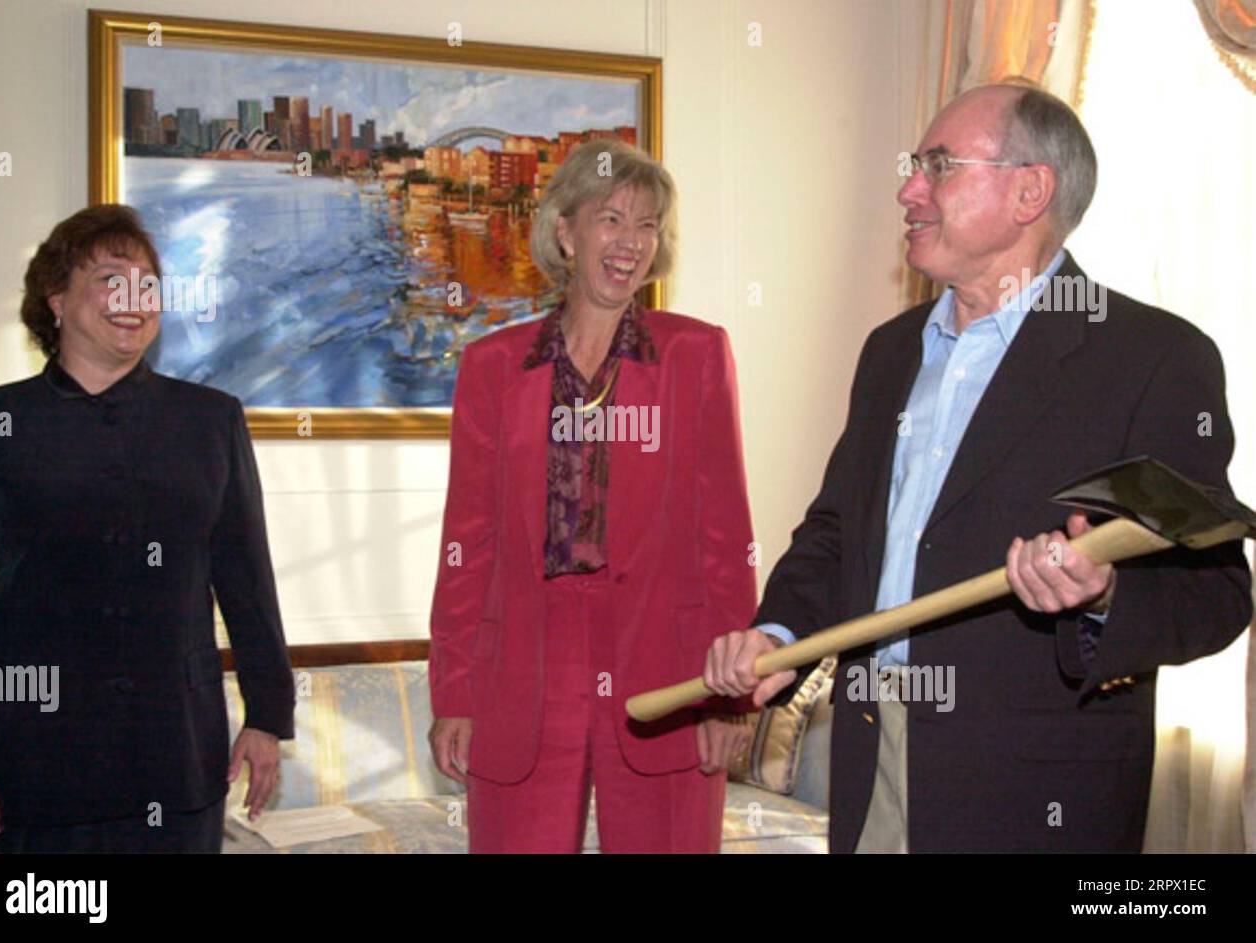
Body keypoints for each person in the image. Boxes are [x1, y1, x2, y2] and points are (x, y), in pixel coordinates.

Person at [702, 83, 1252, 852]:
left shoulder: (1153, 358)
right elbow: (838, 531)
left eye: (937, 166)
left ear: (1030, 191)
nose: (908, 188)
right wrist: (777, 630)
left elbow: (1218, 591)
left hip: (1032, 794)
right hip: (871, 768)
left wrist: (1103, 596)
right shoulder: (890, 352)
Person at [428, 139, 757, 853]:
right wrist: (454, 691)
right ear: (565, 232)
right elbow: (467, 544)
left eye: (647, 225)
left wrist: (728, 695)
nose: (631, 242)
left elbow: (725, 538)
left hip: (668, 665)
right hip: (524, 661)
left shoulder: (696, 356)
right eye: (611, 219)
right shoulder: (491, 366)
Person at [0, 204, 295, 853]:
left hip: (175, 762)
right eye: (111, 278)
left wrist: (266, 716)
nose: (134, 298)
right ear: (55, 299)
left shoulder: (210, 420)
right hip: (31, 769)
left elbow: (247, 579)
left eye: (147, 282)